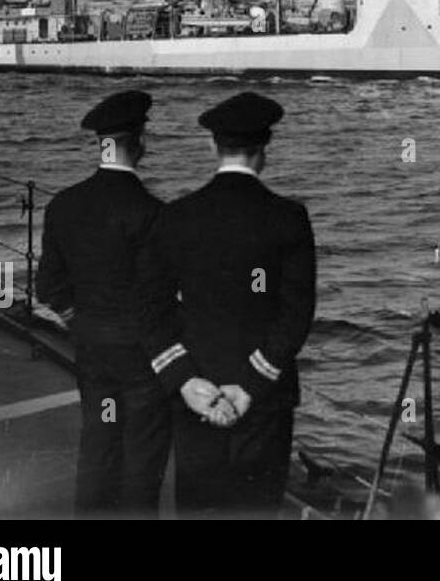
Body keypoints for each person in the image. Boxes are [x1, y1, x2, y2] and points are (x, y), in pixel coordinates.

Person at [139, 92, 316, 517]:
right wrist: (249, 387)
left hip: (197, 393)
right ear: (265, 149)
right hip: (264, 400)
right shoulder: (288, 217)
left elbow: (148, 308)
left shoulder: (176, 216)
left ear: (211, 147)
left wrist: (186, 381)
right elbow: (296, 315)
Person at [36, 90, 170, 517]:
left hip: (93, 351)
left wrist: (79, 323)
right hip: (141, 362)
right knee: (141, 456)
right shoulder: (152, 213)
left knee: (100, 439)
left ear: (102, 144)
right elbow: (160, 297)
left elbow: (48, 286)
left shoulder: (64, 205)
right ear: (140, 140)